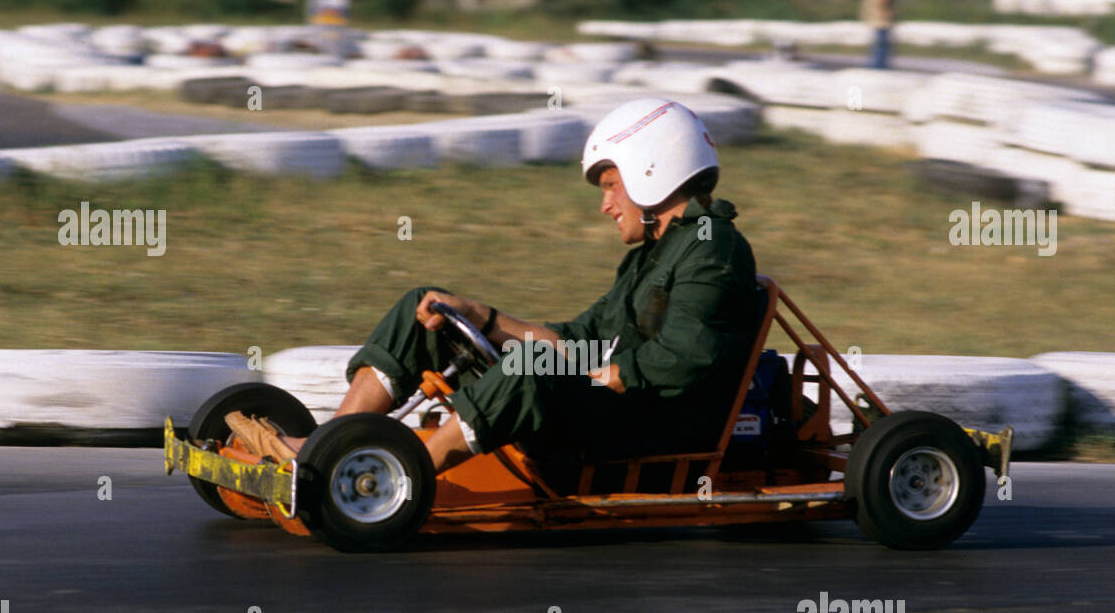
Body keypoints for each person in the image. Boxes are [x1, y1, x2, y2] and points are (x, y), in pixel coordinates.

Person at [228, 97, 760, 475]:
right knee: (427, 305)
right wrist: (481, 317)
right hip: (614, 397)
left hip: (656, 422)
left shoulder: (714, 248)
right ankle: (322, 449)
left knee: (530, 370)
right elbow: (581, 340)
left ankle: (392, 478)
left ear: (652, 169)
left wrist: (591, 369)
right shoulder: (656, 254)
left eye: (611, 186)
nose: (605, 205)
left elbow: (690, 358)